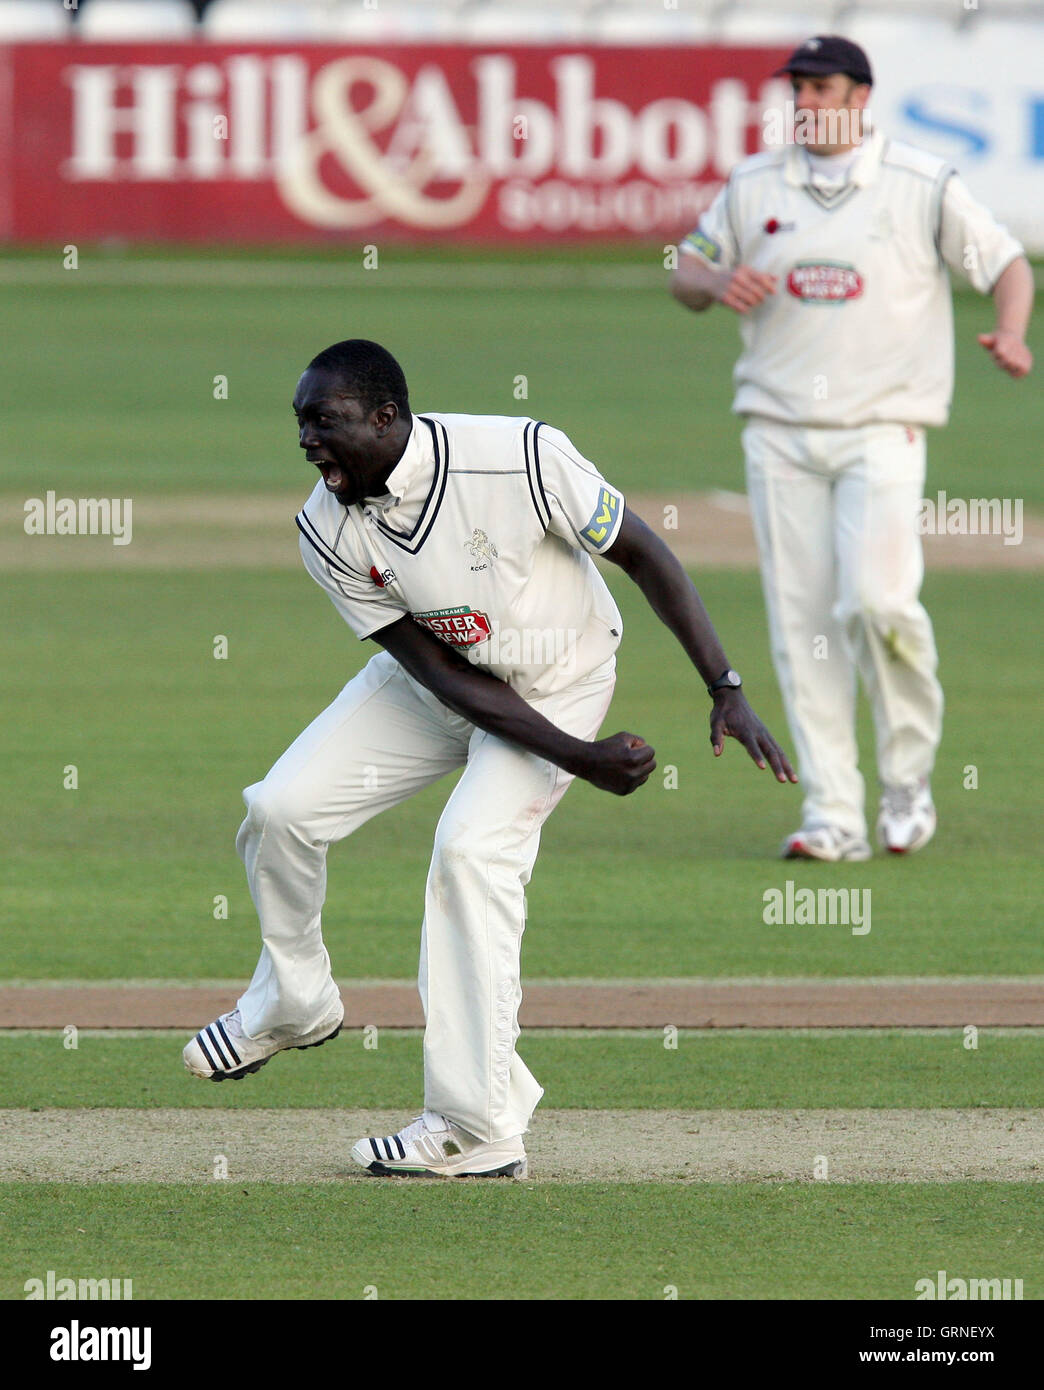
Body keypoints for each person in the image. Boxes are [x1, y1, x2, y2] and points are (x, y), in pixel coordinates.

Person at [182, 338, 796, 1178]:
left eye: (324, 422)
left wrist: (723, 686)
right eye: (299, 423)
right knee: (280, 809)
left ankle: (476, 1128)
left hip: (558, 680)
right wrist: (581, 761)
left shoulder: (521, 457)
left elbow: (644, 554)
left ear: (386, 416)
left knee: (471, 853)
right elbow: (442, 677)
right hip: (445, 686)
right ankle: (294, 996)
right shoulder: (324, 527)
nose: (306, 441)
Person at [670, 35, 1033, 862]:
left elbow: (1009, 264)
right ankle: (833, 813)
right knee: (802, 627)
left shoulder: (918, 183)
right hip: (778, 431)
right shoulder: (755, 182)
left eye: (822, 88)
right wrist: (717, 281)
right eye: (796, 89)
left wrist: (1012, 333)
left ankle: (906, 778)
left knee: (875, 604)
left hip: (885, 428)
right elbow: (684, 271)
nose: (805, 102)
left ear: (860, 97)